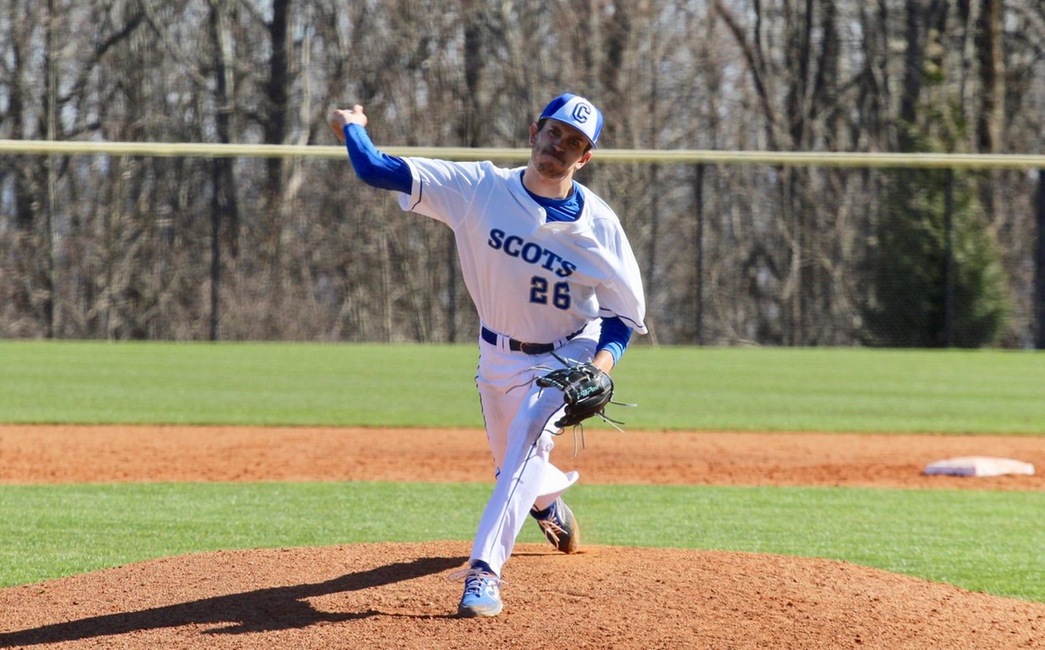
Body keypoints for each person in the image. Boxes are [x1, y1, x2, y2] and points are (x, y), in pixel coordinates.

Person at [328, 93, 647, 618]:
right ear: (534, 132)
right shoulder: (479, 188)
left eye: (574, 142)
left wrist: (598, 368)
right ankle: (546, 502)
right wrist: (352, 127)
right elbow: (374, 169)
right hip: (498, 356)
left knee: (529, 437)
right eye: (554, 132)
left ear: (584, 158)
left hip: (568, 354)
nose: (559, 145)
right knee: (512, 463)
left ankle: (484, 572)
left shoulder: (601, 225)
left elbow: (622, 315)